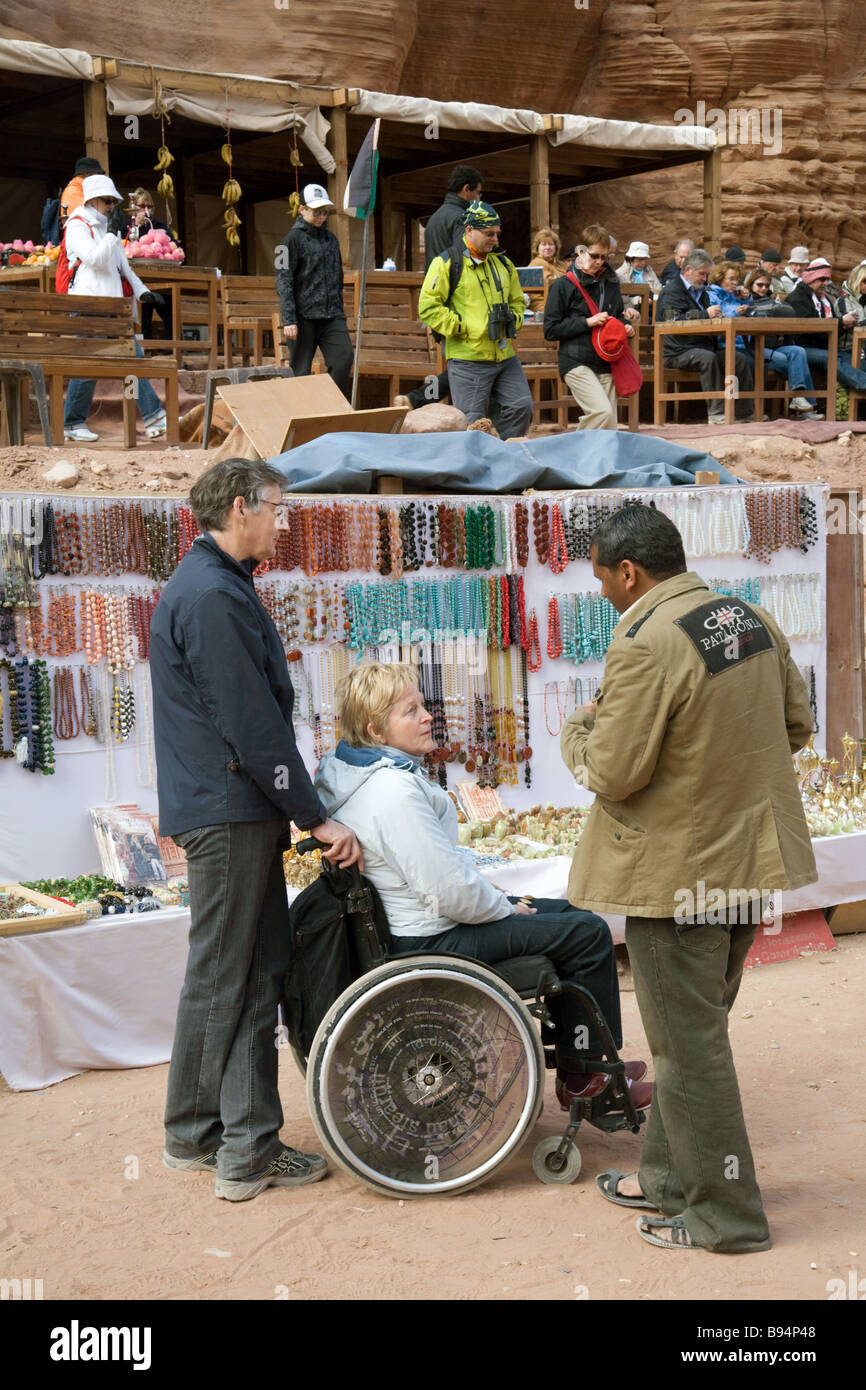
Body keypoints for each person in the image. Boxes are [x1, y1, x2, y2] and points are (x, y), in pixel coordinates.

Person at [561, 503, 817, 1252]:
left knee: (689, 1049)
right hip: (746, 868)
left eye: (603, 576)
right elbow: (794, 727)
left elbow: (614, 769)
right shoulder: (747, 618)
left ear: (629, 572)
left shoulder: (645, 641)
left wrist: (582, 730)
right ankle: (671, 1181)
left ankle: (725, 1219)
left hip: (680, 879)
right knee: (692, 1039)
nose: (604, 589)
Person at [150, 457, 363, 1202]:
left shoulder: (218, 584)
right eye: (276, 507)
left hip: (235, 806)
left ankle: (245, 1144)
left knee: (255, 971)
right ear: (241, 507)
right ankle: (194, 1133)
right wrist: (314, 815)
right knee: (223, 972)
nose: (283, 520)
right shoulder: (210, 594)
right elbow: (252, 724)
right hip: (229, 808)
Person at [313, 660, 652, 1113]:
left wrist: (499, 900)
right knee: (587, 934)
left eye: (422, 705)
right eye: (410, 710)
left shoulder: (353, 775)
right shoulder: (392, 793)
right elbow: (447, 890)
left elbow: (437, 872)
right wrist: (504, 908)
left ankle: (581, 1061)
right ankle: (587, 1077)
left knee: (570, 912)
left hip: (419, 922)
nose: (428, 715)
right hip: (429, 934)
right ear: (376, 731)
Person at [61, 174, 167, 444]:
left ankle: (154, 416)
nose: (111, 206)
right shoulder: (77, 225)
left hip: (114, 307)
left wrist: (145, 293)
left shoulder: (108, 228)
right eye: (107, 201)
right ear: (92, 200)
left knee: (134, 360)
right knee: (88, 367)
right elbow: (95, 260)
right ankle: (72, 422)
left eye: (113, 202)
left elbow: (124, 268)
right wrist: (110, 235)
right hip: (88, 305)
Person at [417, 199, 534, 440]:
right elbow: (428, 307)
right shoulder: (446, 263)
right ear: (469, 230)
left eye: (497, 234)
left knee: (522, 407)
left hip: (504, 355)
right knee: (472, 423)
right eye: (489, 234)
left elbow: (518, 301)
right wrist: (463, 327)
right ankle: (475, 469)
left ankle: (499, 453)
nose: (495, 239)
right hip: (468, 358)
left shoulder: (504, 263)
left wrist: (514, 319)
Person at [395, 165, 483, 413]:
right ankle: (415, 399)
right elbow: (464, 260)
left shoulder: (434, 218)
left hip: (438, 301)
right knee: (468, 366)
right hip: (459, 303)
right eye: (478, 193)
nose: (478, 199)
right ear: (467, 190)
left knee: (461, 365)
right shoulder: (461, 218)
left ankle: (415, 400)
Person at [544, 225, 635, 431]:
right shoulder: (563, 285)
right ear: (581, 251)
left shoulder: (611, 281)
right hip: (575, 361)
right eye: (595, 256)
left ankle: (598, 462)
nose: (600, 262)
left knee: (609, 428)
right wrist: (587, 322)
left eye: (604, 257)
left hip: (605, 361)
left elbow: (617, 315)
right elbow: (550, 330)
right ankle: (572, 449)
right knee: (603, 413)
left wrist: (627, 326)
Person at [655, 247, 755, 424]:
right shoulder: (672, 291)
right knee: (708, 358)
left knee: (737, 358)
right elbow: (672, 320)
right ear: (688, 271)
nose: (705, 279)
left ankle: (743, 413)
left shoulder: (702, 292)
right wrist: (704, 315)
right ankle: (716, 413)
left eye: (706, 274)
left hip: (701, 346)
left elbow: (706, 317)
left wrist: (718, 318)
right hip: (676, 350)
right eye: (702, 274)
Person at [275, 182, 353, 399]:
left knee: (344, 358)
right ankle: (300, 414)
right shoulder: (288, 241)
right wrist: (289, 318)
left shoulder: (332, 240)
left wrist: (339, 311)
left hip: (332, 316)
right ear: (302, 209)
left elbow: (338, 277)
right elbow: (283, 280)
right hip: (302, 319)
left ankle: (333, 405)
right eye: (317, 211)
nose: (321, 216)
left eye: (325, 212)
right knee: (299, 372)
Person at [742, 267, 823, 419]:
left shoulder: (774, 301)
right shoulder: (745, 301)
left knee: (799, 352)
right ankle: (806, 408)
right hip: (754, 348)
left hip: (774, 346)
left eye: (767, 285)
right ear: (751, 284)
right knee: (792, 362)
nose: (764, 288)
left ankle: (801, 402)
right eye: (760, 285)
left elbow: (789, 315)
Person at [784, 257, 866, 403]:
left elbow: (829, 330)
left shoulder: (823, 299)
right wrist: (842, 322)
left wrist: (844, 324)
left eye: (827, 279)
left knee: (856, 359)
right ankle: (863, 384)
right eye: (822, 279)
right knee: (831, 358)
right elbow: (809, 328)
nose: (826, 283)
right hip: (803, 347)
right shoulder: (797, 298)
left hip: (826, 346)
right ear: (811, 278)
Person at [119, 187, 177, 343]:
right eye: (142, 207)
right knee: (144, 308)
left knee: (168, 307)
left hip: (160, 278)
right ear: (133, 209)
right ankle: (145, 346)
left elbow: (174, 247)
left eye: (149, 206)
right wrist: (136, 226)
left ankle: (172, 346)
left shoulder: (160, 227)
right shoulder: (126, 228)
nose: (146, 210)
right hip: (136, 280)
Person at [615, 240, 662, 318]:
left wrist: (654, 299)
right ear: (631, 259)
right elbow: (622, 300)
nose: (643, 263)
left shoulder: (649, 270)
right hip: (633, 313)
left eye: (645, 259)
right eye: (640, 260)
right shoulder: (620, 274)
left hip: (652, 309)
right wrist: (638, 300)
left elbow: (658, 289)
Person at [526, 226, 569, 308]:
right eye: (543, 244)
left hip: (561, 303)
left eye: (551, 244)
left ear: (556, 247)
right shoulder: (537, 263)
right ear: (537, 247)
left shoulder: (560, 264)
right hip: (543, 305)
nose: (547, 247)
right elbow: (552, 284)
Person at [59, 156, 104, 226]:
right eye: (98, 174)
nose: (99, 178)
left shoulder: (82, 188)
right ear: (88, 174)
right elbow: (89, 215)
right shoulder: (73, 191)